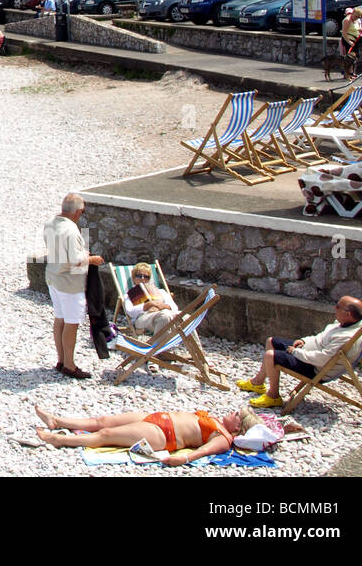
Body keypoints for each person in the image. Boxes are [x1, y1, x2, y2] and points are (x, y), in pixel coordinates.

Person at [237, 296, 362, 408]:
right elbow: (320, 338)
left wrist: (295, 353)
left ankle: (273, 395)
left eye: (338, 306)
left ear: (348, 314)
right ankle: (258, 382)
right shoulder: (348, 323)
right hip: (309, 353)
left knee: (270, 356)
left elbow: (322, 359)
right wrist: (304, 341)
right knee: (271, 341)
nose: (334, 308)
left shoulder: (345, 337)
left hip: (315, 368)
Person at [33, 403, 257, 466]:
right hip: (157, 417)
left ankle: (60, 439)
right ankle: (57, 421)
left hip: (163, 434)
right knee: (101, 421)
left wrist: (184, 458)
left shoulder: (224, 438)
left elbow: (204, 451)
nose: (232, 412)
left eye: (237, 414)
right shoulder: (218, 422)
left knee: (107, 434)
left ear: (238, 427)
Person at [44, 193, 104, 379]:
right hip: (69, 283)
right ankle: (70, 365)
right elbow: (74, 259)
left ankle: (61, 360)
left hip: (53, 276)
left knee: (59, 319)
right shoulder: (71, 230)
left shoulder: (50, 223)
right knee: (72, 323)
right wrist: (92, 259)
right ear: (78, 212)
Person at [124, 262, 180, 334]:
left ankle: (195, 345)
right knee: (164, 317)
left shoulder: (160, 291)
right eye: (139, 276)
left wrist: (160, 306)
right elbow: (130, 312)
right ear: (134, 279)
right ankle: (159, 345)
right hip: (143, 318)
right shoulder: (130, 295)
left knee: (184, 316)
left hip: (164, 313)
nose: (143, 279)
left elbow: (174, 307)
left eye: (146, 276)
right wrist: (148, 305)